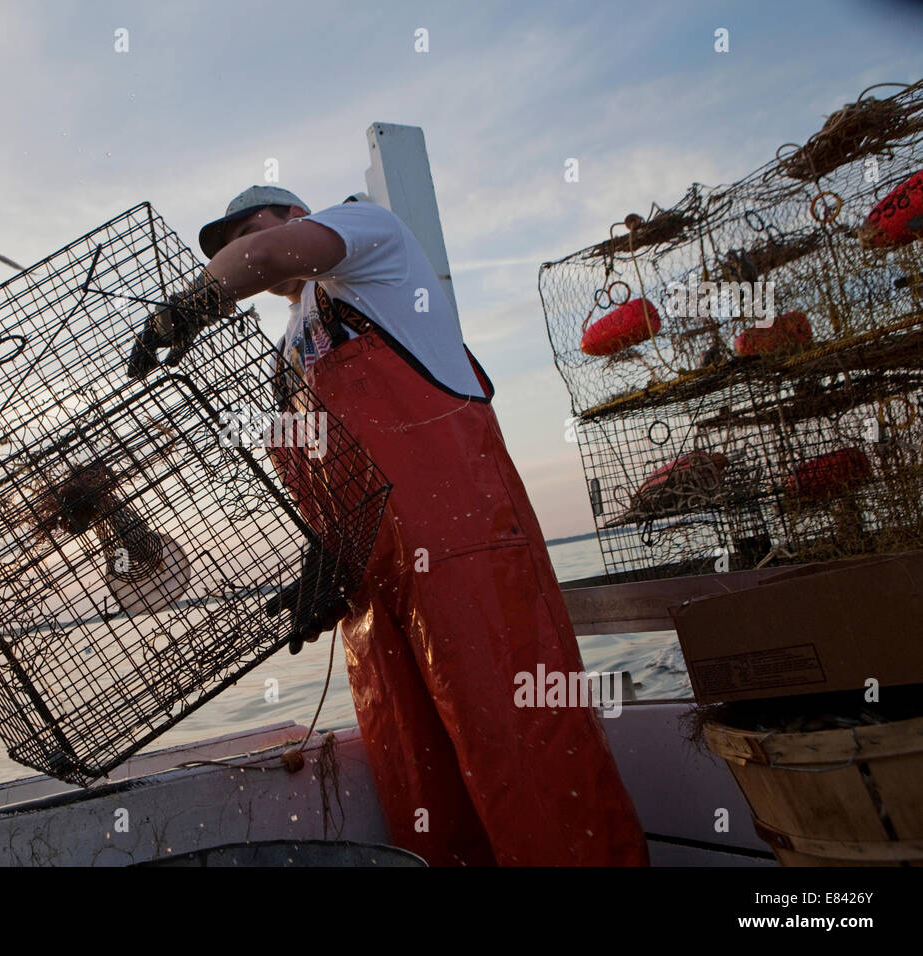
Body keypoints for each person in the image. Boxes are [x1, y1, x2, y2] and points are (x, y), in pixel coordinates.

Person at [128, 185, 650, 866]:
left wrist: (187, 308)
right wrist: (324, 565)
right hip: (367, 589)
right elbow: (314, 475)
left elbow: (266, 255)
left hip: (464, 545)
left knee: (528, 753)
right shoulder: (285, 355)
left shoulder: (365, 240)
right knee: (416, 781)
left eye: (242, 231)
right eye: (224, 245)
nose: (237, 250)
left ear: (294, 214)